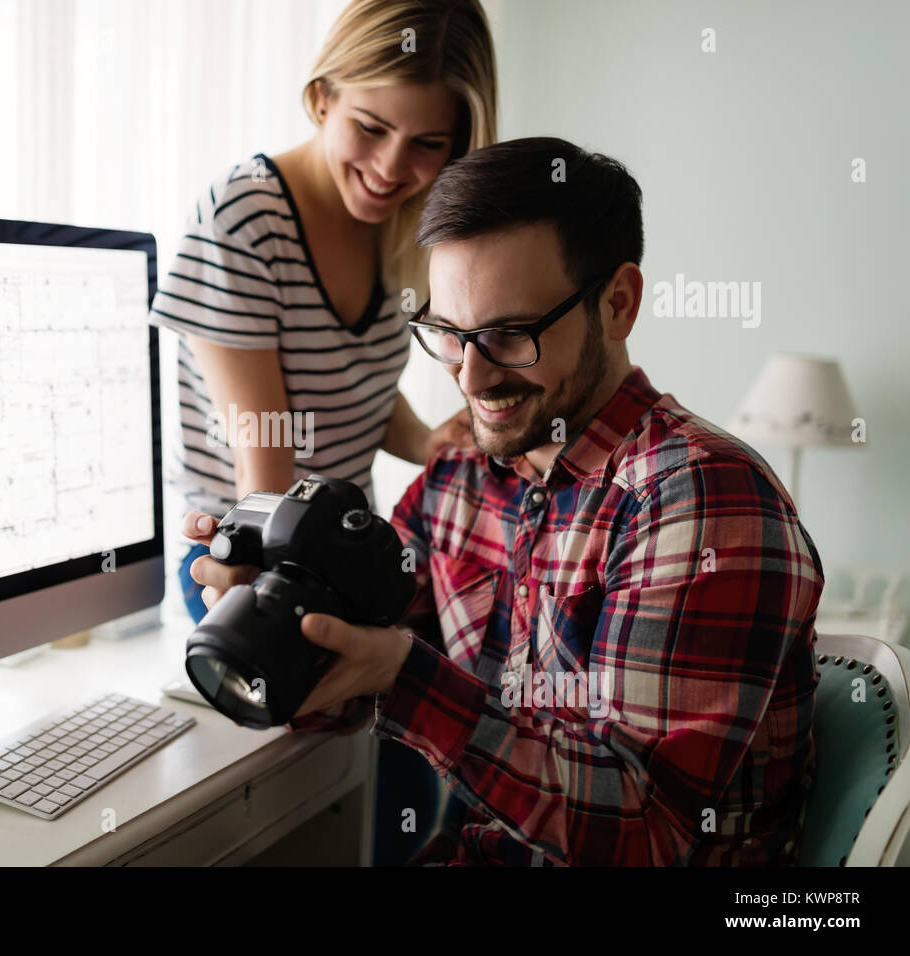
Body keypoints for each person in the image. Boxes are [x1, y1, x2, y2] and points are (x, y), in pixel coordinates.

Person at [182, 137, 823, 866]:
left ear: (617, 304)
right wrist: (285, 621)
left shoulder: (701, 502)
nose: (472, 377)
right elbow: (365, 655)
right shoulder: (459, 478)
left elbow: (651, 833)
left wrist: (403, 676)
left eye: (508, 335)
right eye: (449, 335)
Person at [149, 0, 497, 624]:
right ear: (320, 99)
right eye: (369, 127)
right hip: (245, 552)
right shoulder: (245, 218)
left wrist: (423, 439)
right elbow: (266, 458)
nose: (391, 169)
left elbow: (351, 385)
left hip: (336, 544)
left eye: (427, 144)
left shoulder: (402, 223)